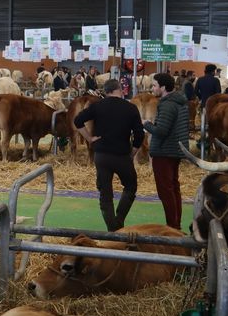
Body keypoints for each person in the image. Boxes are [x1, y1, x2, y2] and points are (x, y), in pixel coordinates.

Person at [74, 78, 145, 231]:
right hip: (122, 155)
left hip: (102, 156)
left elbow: (78, 120)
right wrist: (133, 152)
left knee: (105, 193)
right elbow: (139, 134)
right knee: (131, 187)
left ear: (105, 91)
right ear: (119, 90)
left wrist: (90, 138)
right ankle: (119, 220)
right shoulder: (130, 108)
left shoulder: (97, 106)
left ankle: (112, 229)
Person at [142, 73, 189, 230]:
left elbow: (161, 131)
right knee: (173, 188)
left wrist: (146, 124)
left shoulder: (167, 104)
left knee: (165, 191)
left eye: (154, 85)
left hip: (164, 151)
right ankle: (176, 225)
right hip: (175, 150)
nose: (152, 88)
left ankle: (172, 227)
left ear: (163, 87)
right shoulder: (180, 101)